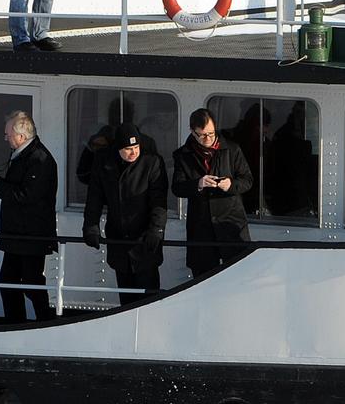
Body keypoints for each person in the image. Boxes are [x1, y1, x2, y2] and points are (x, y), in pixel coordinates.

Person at [0, 110, 58, 322]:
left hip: (32, 234)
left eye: (7, 134)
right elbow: (21, 189)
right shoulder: (22, 155)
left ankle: (45, 321)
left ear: (21, 136)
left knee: (30, 282)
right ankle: (15, 323)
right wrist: (0, 182)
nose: (5, 138)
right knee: (9, 281)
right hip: (17, 233)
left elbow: (28, 195)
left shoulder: (40, 159)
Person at [82, 122, 169, 298]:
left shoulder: (151, 162)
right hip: (119, 239)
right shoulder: (104, 161)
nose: (133, 152)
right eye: (128, 148)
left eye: (136, 147)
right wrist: (91, 226)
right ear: (118, 148)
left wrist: (156, 230)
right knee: (126, 294)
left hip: (145, 240)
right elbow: (95, 197)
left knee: (149, 296)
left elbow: (158, 201)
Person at [171, 109, 254, 281]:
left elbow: (247, 180)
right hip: (201, 228)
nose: (207, 139)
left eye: (211, 133)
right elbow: (177, 188)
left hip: (231, 223)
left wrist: (231, 185)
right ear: (192, 132)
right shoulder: (182, 155)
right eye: (201, 135)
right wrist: (198, 184)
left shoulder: (231, 149)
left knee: (236, 278)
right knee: (204, 280)